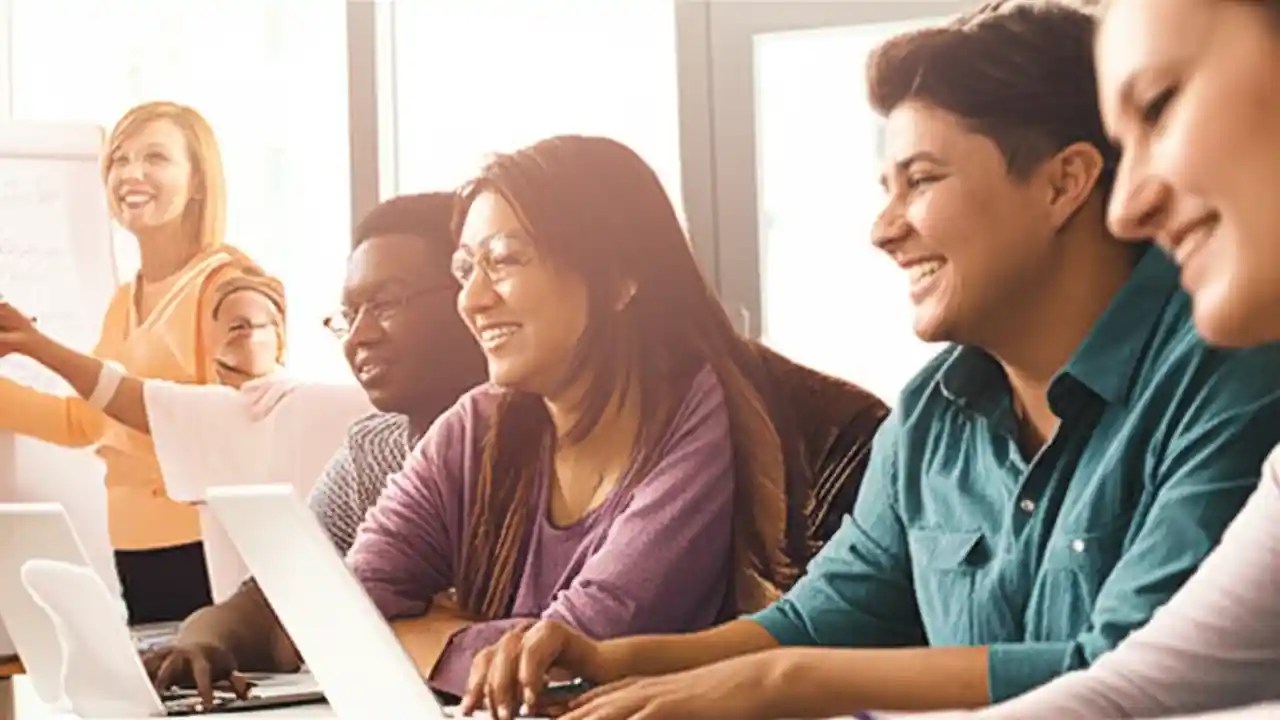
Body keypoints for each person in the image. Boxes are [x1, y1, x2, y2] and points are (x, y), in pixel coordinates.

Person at [486, 4, 1280, 718]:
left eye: (921, 181)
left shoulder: (1236, 365)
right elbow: (815, 622)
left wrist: (785, 685)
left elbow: (1128, 673)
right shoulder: (934, 413)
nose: (883, 229)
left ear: (1064, 183)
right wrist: (610, 661)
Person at [342, 135, 845, 715]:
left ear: (620, 277)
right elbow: (351, 608)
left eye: (504, 260)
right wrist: (481, 647)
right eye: (464, 270)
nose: (472, 300)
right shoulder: (480, 421)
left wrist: (432, 634)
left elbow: (579, 653)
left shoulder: (695, 410)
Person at [933, 1, 1280, 717]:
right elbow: (1131, 692)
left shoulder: (1225, 377)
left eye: (1158, 106)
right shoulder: (928, 406)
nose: (1125, 211)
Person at [120, 192, 490, 706]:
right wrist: (202, 643)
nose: (359, 337)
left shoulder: (538, 445)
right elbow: (269, 601)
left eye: (384, 306)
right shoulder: (374, 450)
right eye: (349, 313)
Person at [0, 101, 278, 624]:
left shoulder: (229, 287)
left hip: (206, 548)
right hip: (135, 550)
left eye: (155, 158)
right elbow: (85, 421)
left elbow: (241, 421)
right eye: (119, 159)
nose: (131, 173)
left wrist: (40, 347)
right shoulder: (126, 300)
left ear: (198, 181)